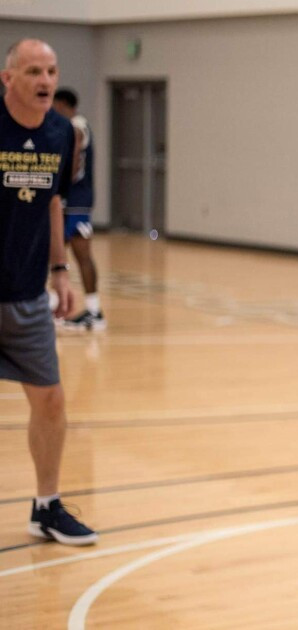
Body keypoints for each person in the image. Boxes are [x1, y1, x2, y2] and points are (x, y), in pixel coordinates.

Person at [1, 38, 98, 545]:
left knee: (52, 401)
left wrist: (60, 269)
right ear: (8, 78)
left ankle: (46, 507)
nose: (45, 81)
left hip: (25, 294)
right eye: (34, 70)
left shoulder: (62, 133)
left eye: (52, 71)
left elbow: (54, 201)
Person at [52, 87, 105, 331]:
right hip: (72, 202)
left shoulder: (75, 126)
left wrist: (58, 186)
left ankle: (94, 312)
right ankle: (57, 306)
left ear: (62, 104)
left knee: (81, 255)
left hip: (75, 202)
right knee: (54, 253)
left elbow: (71, 163)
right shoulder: (78, 125)